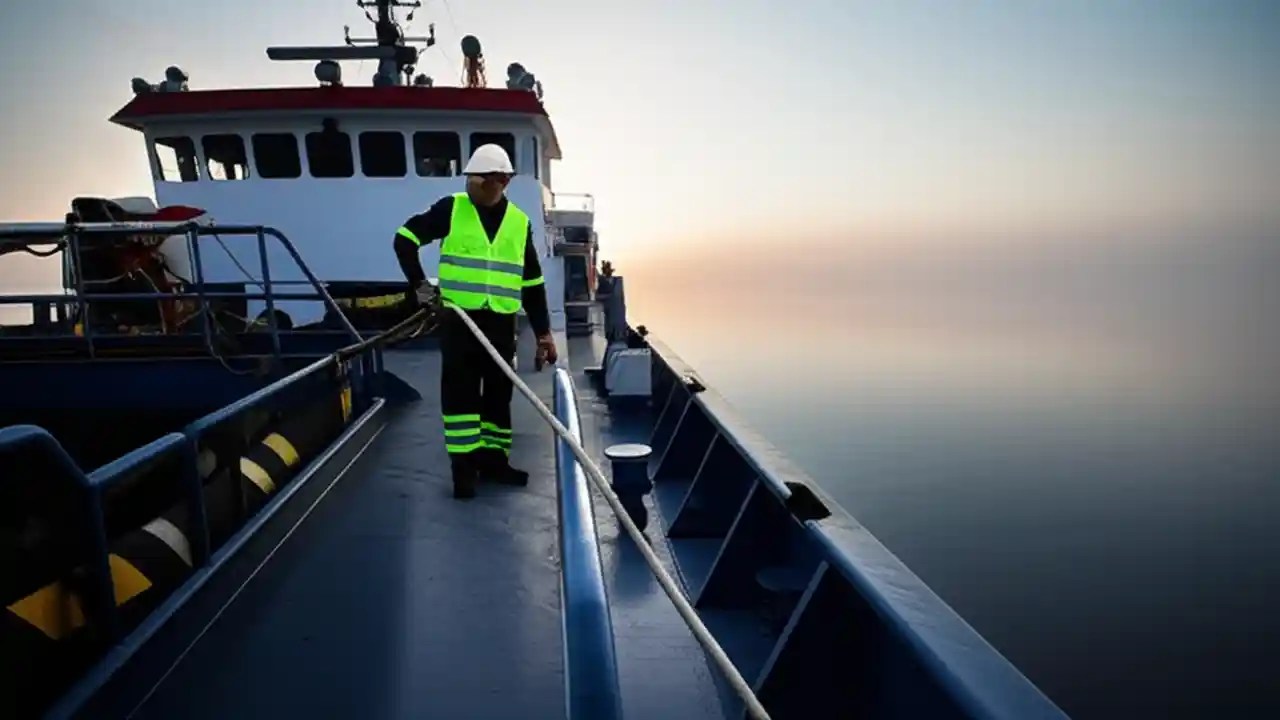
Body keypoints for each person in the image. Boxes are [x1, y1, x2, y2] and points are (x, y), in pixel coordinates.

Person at [392, 143, 558, 499]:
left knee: (499, 396)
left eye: (481, 182)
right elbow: (404, 239)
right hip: (460, 323)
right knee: (461, 397)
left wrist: (544, 334)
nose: (473, 187)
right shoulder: (451, 209)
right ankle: (464, 471)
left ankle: (495, 462)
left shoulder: (519, 223)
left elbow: (532, 282)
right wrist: (420, 286)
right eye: (471, 180)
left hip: (500, 323)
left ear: (501, 182)